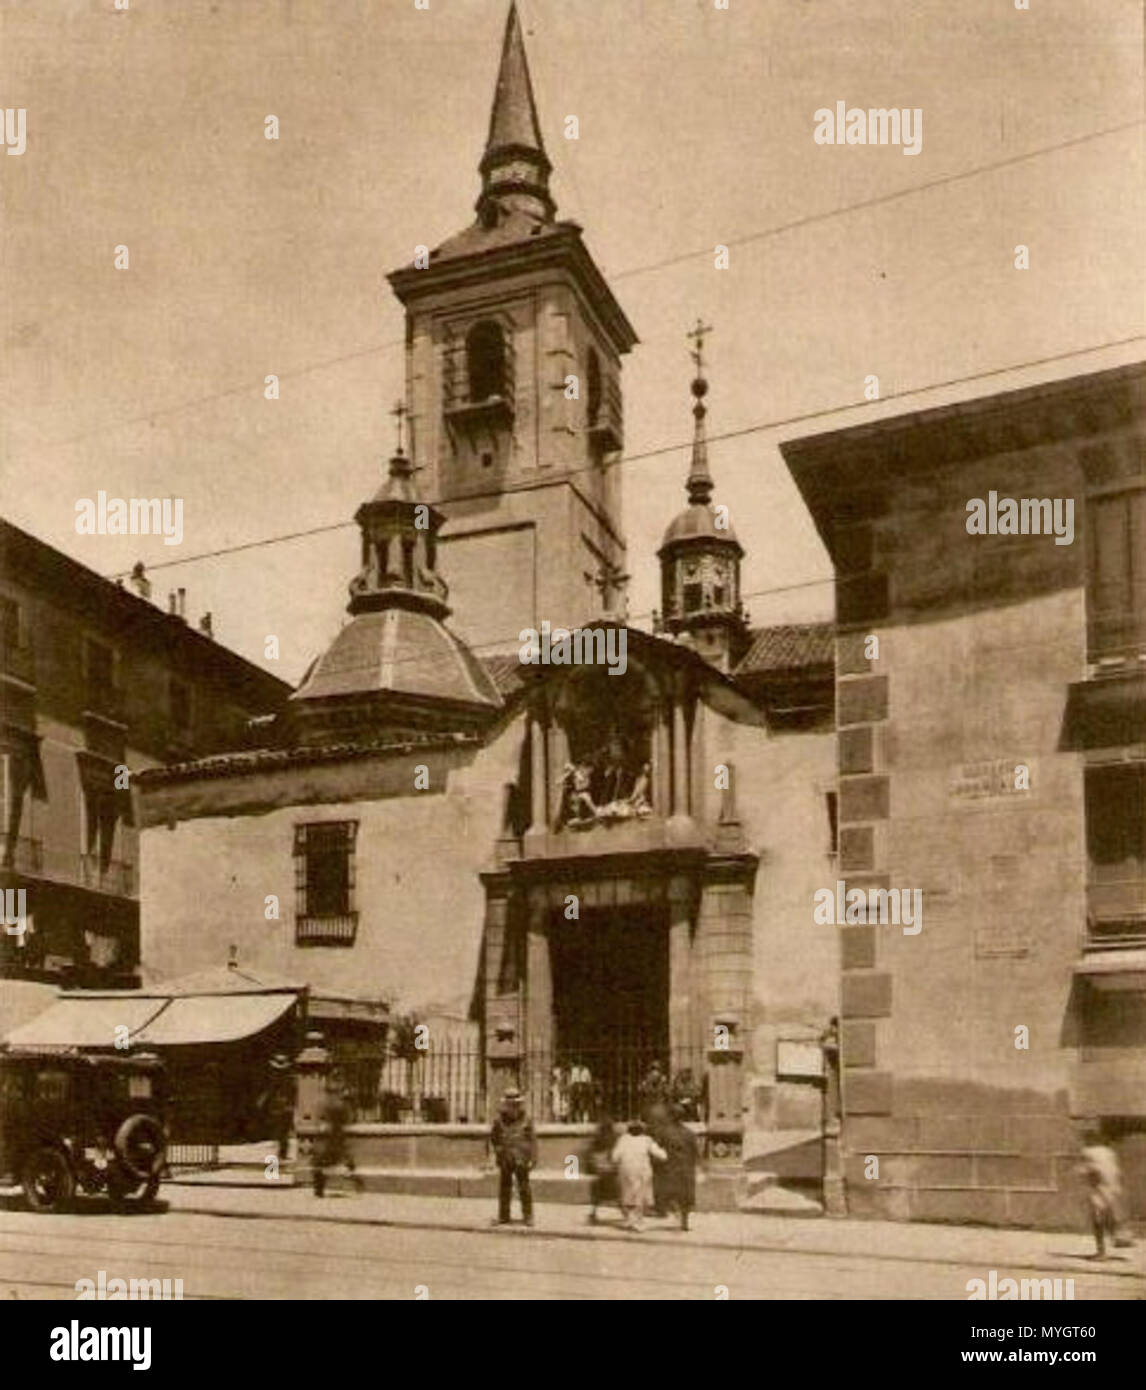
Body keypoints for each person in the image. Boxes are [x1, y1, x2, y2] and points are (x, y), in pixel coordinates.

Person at [1078, 1131, 1133, 1258]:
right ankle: (1119, 1237)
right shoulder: (1109, 1152)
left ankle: (1101, 1252)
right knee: (1112, 1215)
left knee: (1098, 1221)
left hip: (1099, 1189)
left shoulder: (1088, 1152)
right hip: (1113, 1188)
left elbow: (1090, 1171)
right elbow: (1115, 1171)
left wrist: (1082, 1173)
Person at [490, 1088, 537, 1227]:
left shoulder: (527, 1119)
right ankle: (504, 1216)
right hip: (506, 1157)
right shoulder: (499, 1120)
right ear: (506, 1105)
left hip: (522, 1158)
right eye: (510, 1104)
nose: (513, 1107)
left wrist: (533, 1158)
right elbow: (494, 1138)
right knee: (505, 1187)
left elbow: (533, 1140)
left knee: (524, 1187)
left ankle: (528, 1216)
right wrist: (498, 1150)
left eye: (515, 1104)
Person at [611, 1120, 667, 1232]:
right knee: (640, 1196)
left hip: (626, 1170)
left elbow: (614, 1157)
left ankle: (630, 1219)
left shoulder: (623, 1140)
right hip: (642, 1171)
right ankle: (638, 1221)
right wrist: (663, 1153)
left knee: (628, 1195)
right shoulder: (647, 1140)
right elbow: (661, 1155)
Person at [312, 1078, 363, 1198]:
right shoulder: (339, 1103)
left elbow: (319, 1119)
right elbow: (348, 1119)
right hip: (335, 1137)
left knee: (320, 1162)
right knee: (338, 1159)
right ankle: (352, 1179)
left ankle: (319, 1188)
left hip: (329, 1137)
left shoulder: (323, 1102)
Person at [658, 1104, 700, 1231]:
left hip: (671, 1167)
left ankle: (676, 1216)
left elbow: (659, 1149)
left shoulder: (665, 1132)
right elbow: (696, 1152)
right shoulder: (690, 1133)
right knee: (686, 1196)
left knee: (672, 1194)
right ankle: (684, 1221)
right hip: (686, 1168)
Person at [585, 1114, 618, 1224]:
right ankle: (626, 1214)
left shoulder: (597, 1140)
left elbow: (590, 1154)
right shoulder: (615, 1139)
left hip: (601, 1171)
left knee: (597, 1194)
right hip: (611, 1170)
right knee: (617, 1193)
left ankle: (593, 1213)